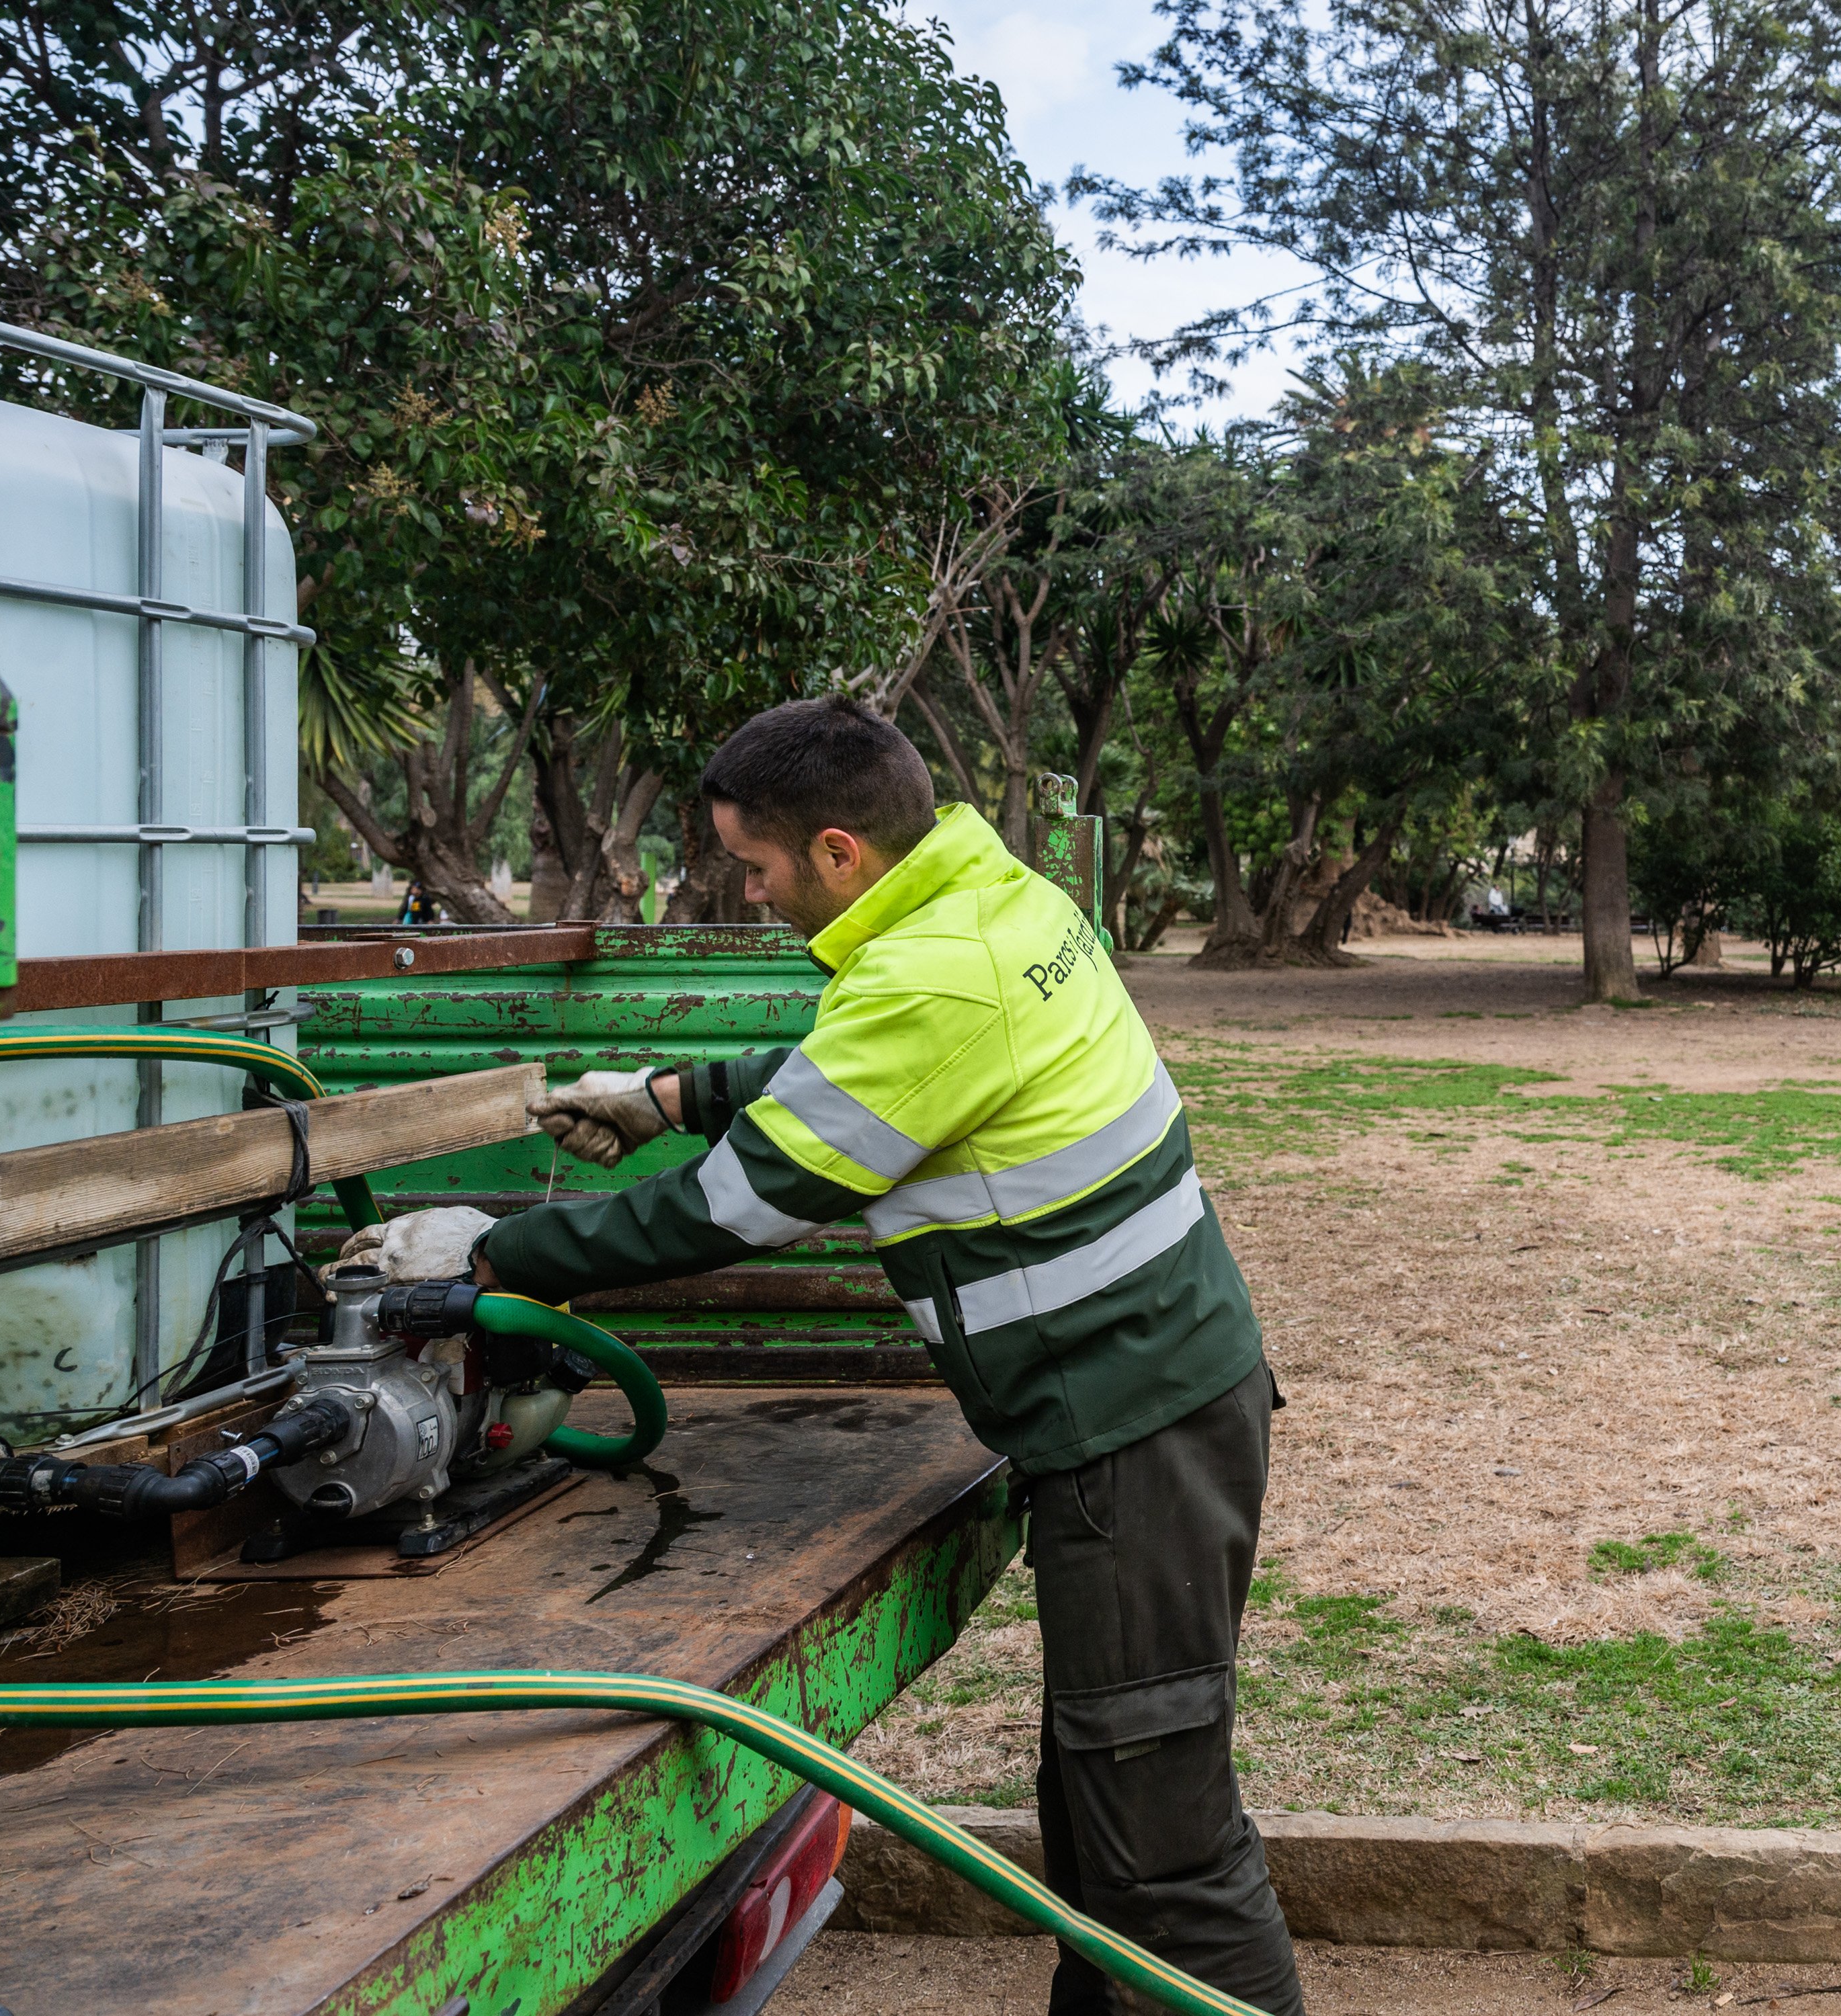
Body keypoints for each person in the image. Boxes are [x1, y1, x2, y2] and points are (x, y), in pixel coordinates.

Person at [442, 696, 1302, 2016]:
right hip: (1166, 1401)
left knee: (1163, 1853)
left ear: (839, 853)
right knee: (1098, 1813)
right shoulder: (982, 897)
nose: (749, 886)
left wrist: (502, 1258)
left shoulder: (934, 972)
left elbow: (744, 1204)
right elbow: (862, 1064)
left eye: (758, 864)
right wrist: (673, 1096)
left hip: (1135, 1434)